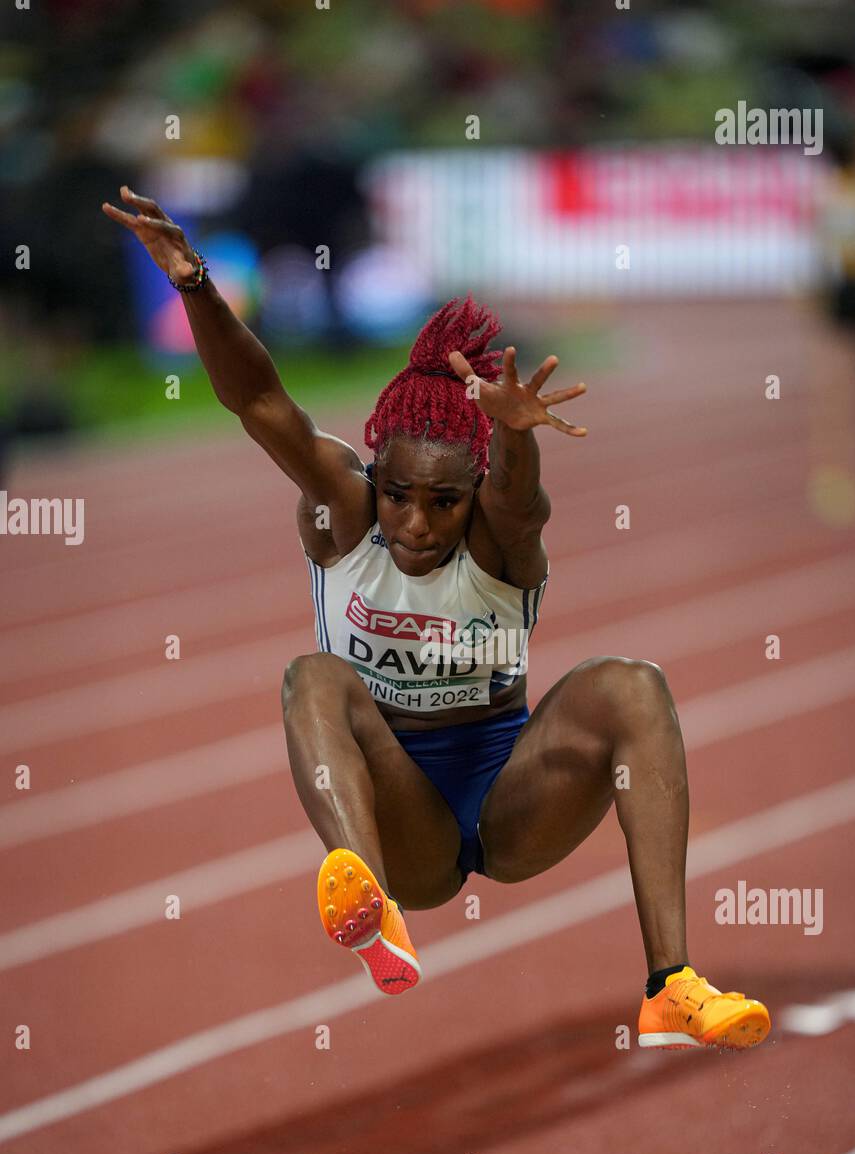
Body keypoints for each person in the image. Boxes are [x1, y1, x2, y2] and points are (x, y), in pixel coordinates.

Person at [102, 185, 770, 1050]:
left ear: (472, 498)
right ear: (374, 479)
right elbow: (262, 405)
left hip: (511, 800)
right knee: (314, 676)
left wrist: (518, 436)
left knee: (633, 688)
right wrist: (194, 283)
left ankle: (671, 986)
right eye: (399, 497)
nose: (416, 523)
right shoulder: (346, 511)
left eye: (444, 503)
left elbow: (519, 501)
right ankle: (370, 905)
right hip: (403, 817)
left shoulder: (501, 541)